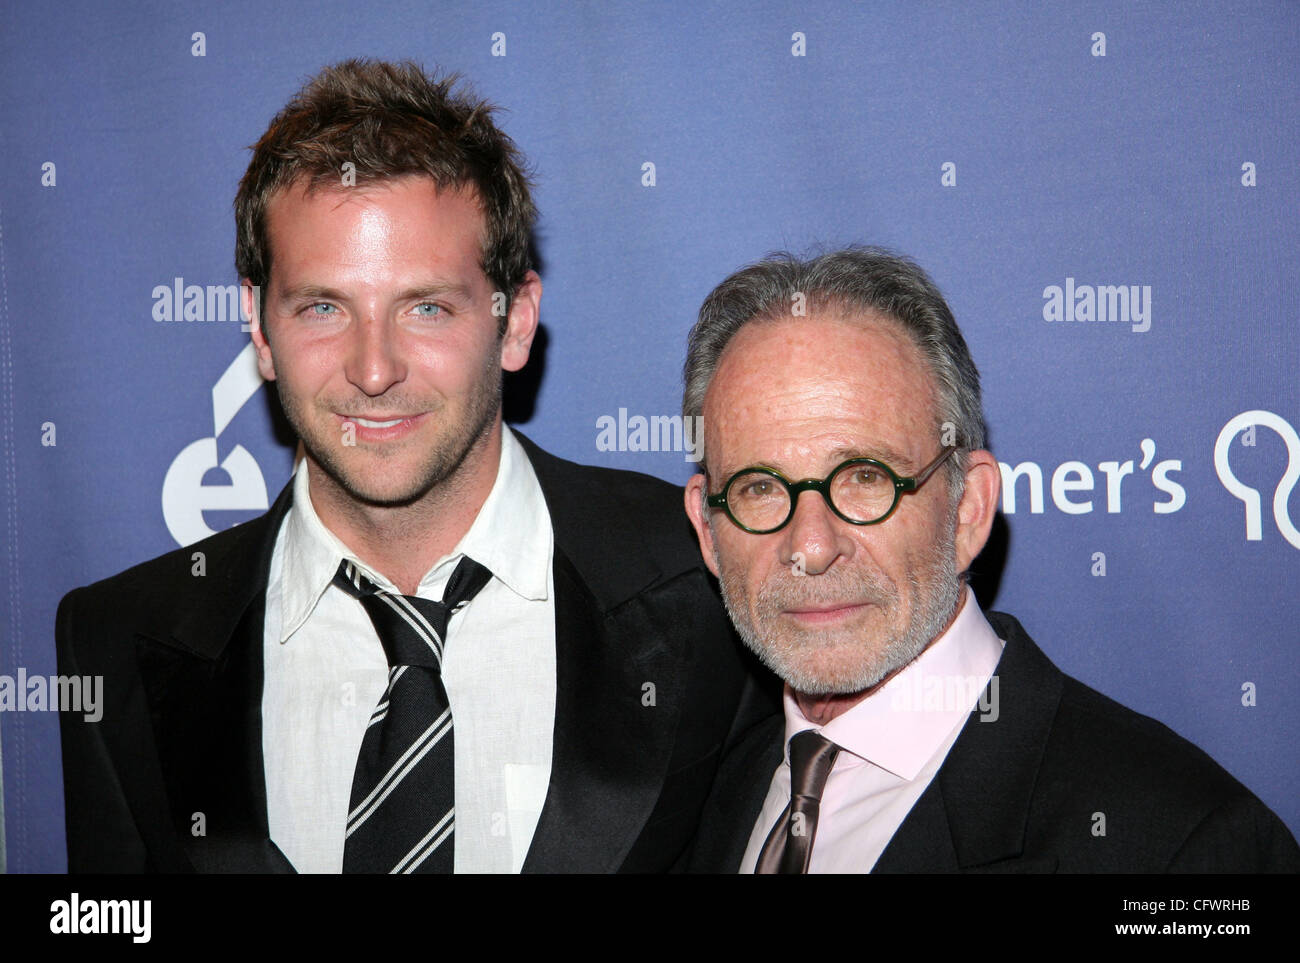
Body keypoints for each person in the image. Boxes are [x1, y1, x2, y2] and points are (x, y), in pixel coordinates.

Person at [56, 59, 768, 873]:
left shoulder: (712, 573)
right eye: (323, 307)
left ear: (514, 322)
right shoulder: (117, 640)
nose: (372, 368)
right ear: (258, 326)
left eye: (426, 307)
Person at [681, 247, 1300, 873]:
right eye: (758, 488)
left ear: (968, 509)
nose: (811, 547)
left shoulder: (1182, 850)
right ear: (707, 528)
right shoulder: (686, 799)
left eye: (864, 478)